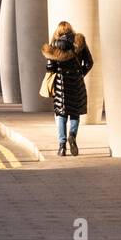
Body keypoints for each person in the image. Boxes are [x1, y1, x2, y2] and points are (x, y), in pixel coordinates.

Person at [42, 21, 93, 156]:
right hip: (76, 82)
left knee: (61, 114)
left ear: (59, 31)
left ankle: (62, 147)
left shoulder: (54, 45)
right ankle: (72, 135)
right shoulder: (79, 43)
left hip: (61, 84)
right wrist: (80, 74)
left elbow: (50, 67)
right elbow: (89, 63)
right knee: (75, 112)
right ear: (70, 30)